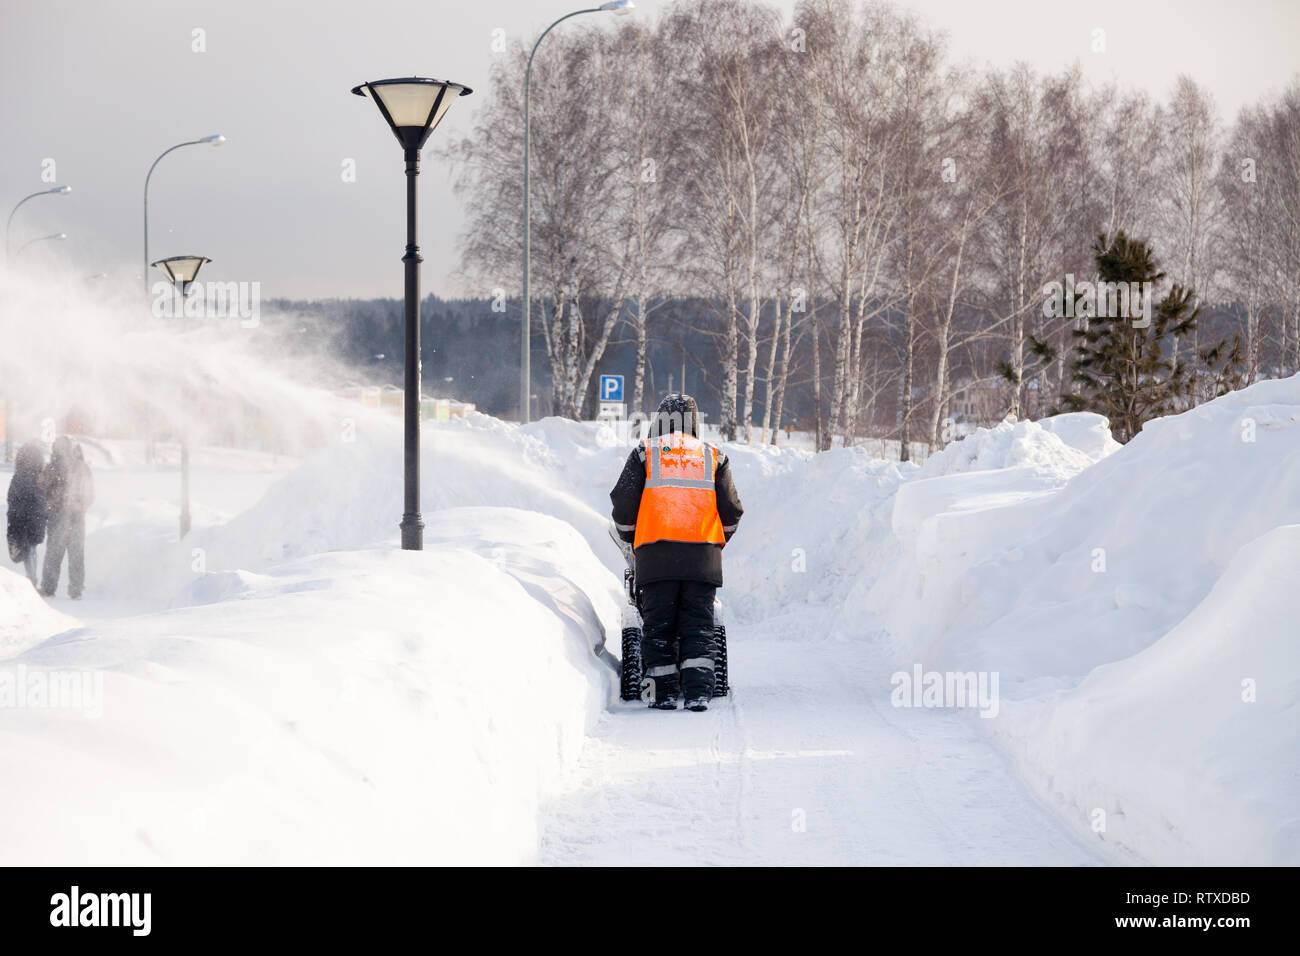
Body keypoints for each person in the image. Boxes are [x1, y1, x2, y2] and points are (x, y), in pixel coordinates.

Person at [610, 394, 744, 712]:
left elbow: (623, 504)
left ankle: (661, 694)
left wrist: (632, 540)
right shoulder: (714, 457)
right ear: (696, 422)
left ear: (659, 420)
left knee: (658, 626)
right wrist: (715, 543)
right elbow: (732, 511)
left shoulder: (645, 454)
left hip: (655, 556)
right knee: (699, 623)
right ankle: (698, 693)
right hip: (702, 560)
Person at [39, 436, 93, 599]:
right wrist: (82, 506)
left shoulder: (53, 467)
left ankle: (49, 589)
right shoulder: (83, 467)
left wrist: (50, 506)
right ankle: (76, 591)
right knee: (77, 553)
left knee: (54, 553)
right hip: (78, 517)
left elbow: (41, 488)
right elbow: (91, 493)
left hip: (58, 516)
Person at [6, 441, 48, 587]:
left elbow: (12, 498)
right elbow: (42, 497)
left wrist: (14, 513)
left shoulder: (20, 476)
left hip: (23, 518)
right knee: (31, 548)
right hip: (36, 518)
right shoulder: (40, 476)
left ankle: (31, 579)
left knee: (27, 549)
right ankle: (32, 577)